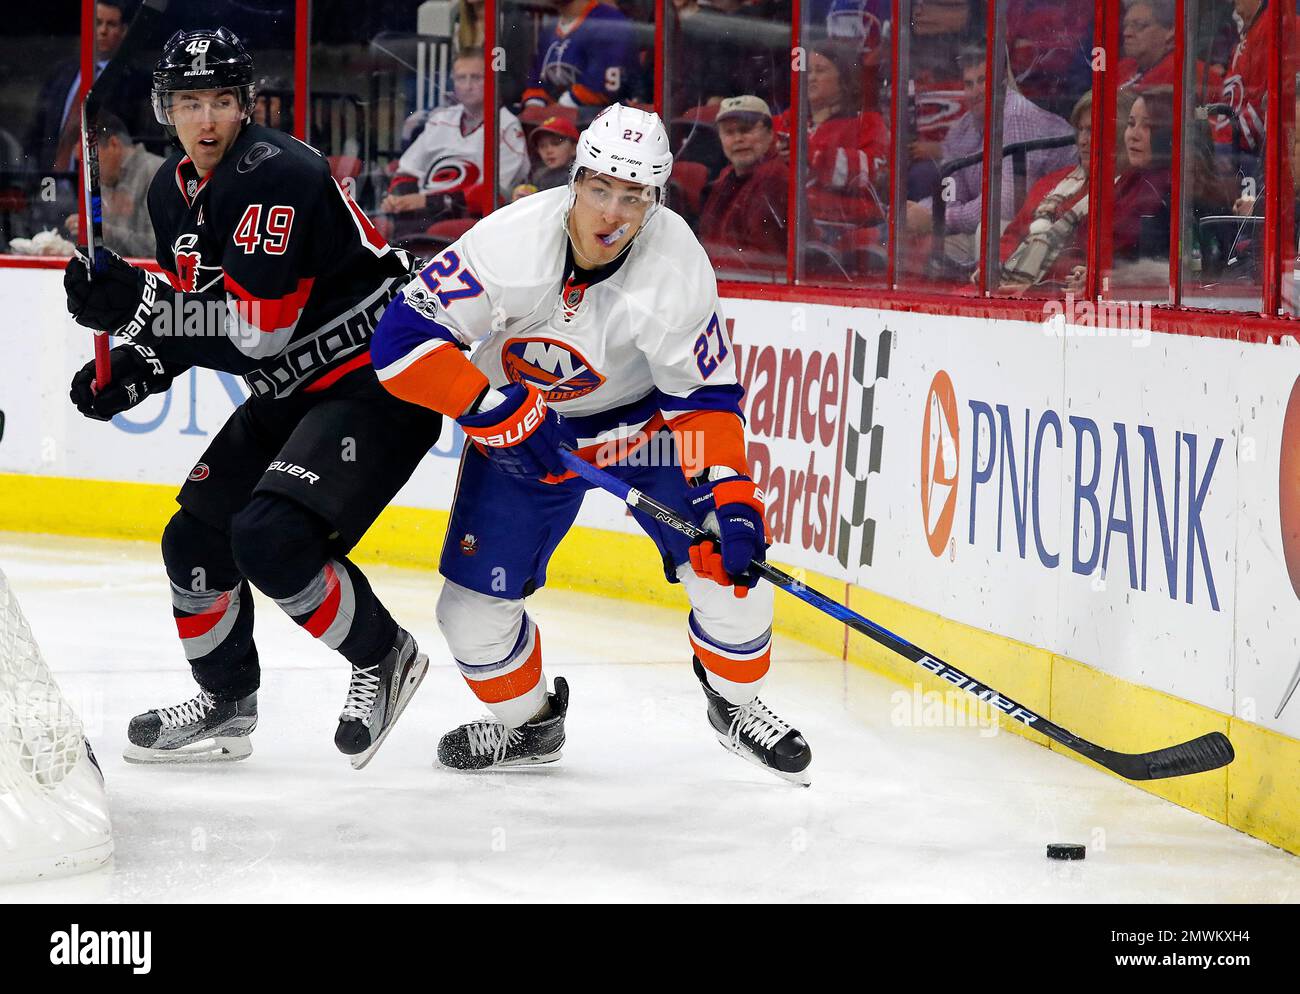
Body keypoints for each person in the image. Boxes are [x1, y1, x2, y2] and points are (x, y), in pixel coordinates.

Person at [369, 104, 812, 782]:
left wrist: (731, 491)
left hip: (643, 433)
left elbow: (703, 400)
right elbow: (400, 342)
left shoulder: (675, 262)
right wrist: (491, 412)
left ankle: (736, 705)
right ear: (574, 180)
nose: (612, 213)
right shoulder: (511, 240)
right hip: (518, 434)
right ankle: (531, 726)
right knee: (470, 616)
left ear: (655, 199)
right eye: (600, 188)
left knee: (730, 570)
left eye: (633, 196)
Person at [61, 28, 443, 769]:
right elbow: (205, 316)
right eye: (189, 102)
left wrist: (141, 304)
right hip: (291, 387)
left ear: (246, 105)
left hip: (374, 382)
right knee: (195, 543)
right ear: (166, 109)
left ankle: (384, 654)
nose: (206, 119)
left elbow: (256, 335)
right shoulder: (172, 192)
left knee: (271, 539)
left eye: (221, 100)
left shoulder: (276, 175)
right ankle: (227, 702)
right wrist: (137, 366)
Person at [905, 43, 1077, 266]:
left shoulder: (1016, 116)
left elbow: (1005, 206)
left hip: (1057, 228)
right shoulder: (962, 129)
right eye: (969, 84)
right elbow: (953, 194)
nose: (975, 91)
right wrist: (917, 212)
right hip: (1009, 229)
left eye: (983, 81)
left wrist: (936, 218)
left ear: (1001, 81)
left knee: (980, 235)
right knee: (919, 246)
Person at [380, 48, 527, 241]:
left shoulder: (507, 126)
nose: (467, 86)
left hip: (468, 221)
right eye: (461, 78)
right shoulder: (440, 120)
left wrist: (428, 201)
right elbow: (407, 172)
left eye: (476, 78)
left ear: (493, 81)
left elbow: (496, 192)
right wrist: (398, 200)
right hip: (422, 214)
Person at [697, 95, 788, 272]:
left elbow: (767, 260)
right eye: (729, 132)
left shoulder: (774, 179)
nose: (738, 139)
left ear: (770, 134)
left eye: (746, 130)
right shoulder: (725, 177)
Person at [64, 113, 163, 259]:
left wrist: (102, 232)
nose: (86, 170)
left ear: (113, 145)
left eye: (90, 160)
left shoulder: (157, 172)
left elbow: (160, 248)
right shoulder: (103, 178)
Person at [519, 0, 641, 109]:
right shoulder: (550, 29)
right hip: (554, 119)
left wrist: (555, 111)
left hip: (598, 121)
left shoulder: (609, 22)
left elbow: (601, 90)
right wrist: (534, 105)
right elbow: (535, 82)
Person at [516, 113, 579, 199]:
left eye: (556, 143)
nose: (548, 151)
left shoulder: (579, 178)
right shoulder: (536, 174)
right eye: (542, 146)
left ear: (574, 148)